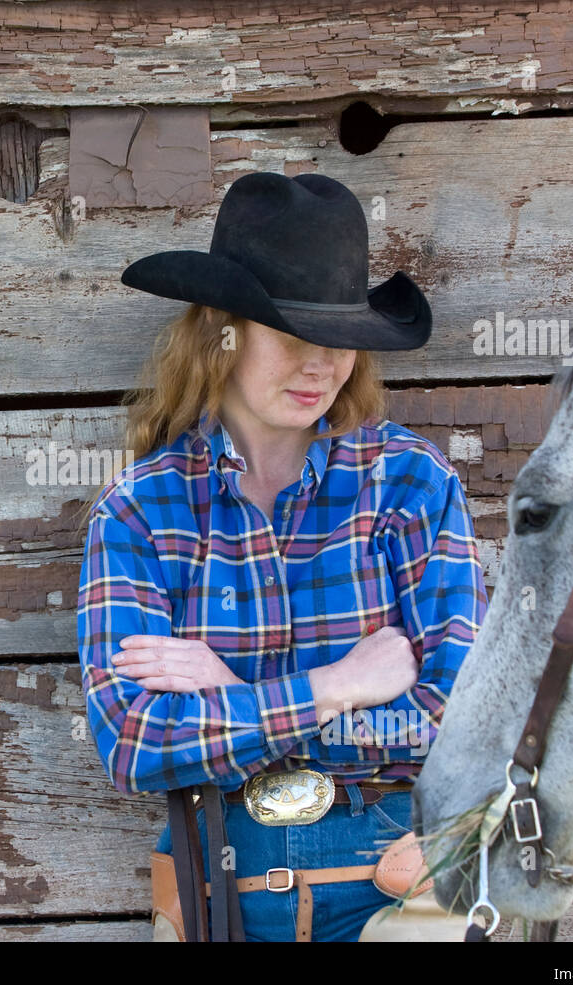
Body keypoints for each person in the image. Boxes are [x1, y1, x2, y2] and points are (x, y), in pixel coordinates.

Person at [75, 172, 489, 942]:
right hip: (216, 901)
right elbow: (134, 744)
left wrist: (237, 693)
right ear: (220, 332)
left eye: (340, 340)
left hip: (402, 891)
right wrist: (339, 686)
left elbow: (459, 724)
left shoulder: (409, 485)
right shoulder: (142, 510)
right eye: (294, 335)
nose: (321, 366)